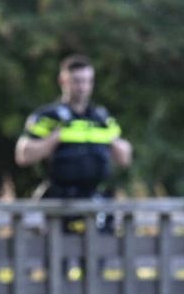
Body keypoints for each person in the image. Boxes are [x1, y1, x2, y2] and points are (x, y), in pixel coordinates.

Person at [15, 53, 132, 225]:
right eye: (77, 81)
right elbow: (23, 155)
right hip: (60, 202)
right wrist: (55, 138)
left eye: (87, 81)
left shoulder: (101, 117)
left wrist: (112, 139)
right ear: (63, 81)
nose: (82, 87)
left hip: (97, 201)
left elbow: (125, 158)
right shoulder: (49, 116)